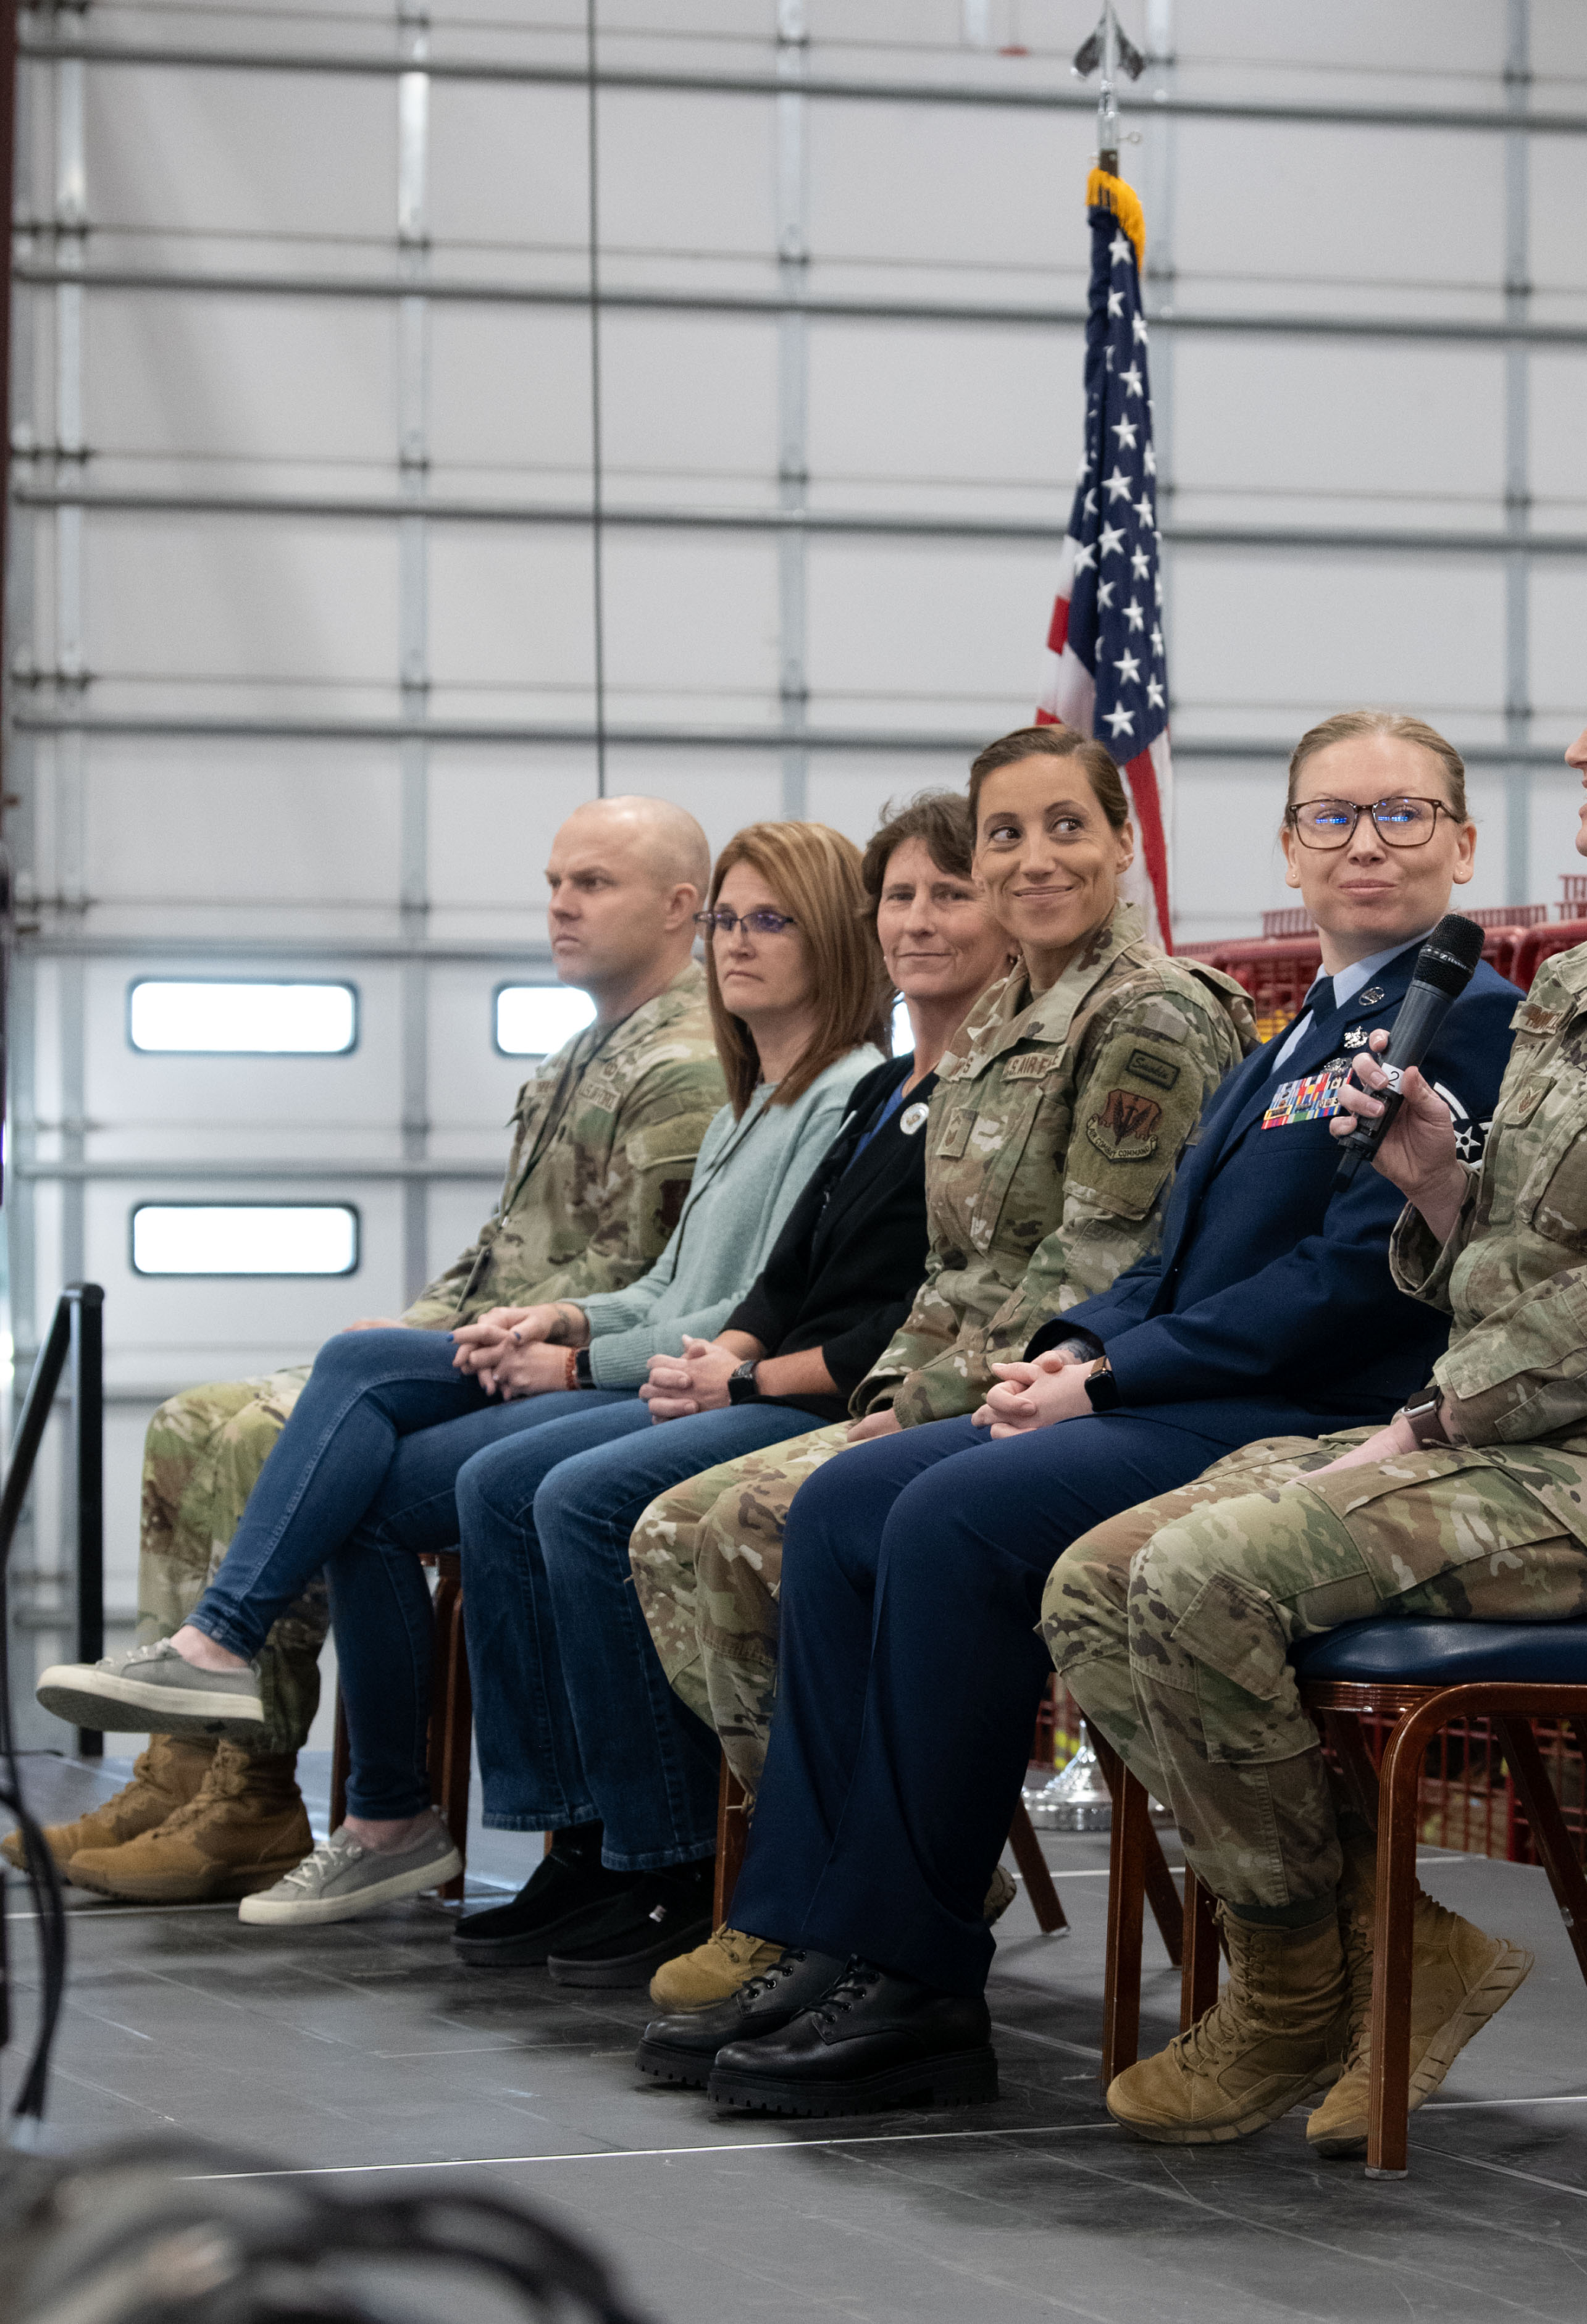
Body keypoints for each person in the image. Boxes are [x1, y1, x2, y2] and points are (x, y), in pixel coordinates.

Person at [1042, 604, 1587, 2157]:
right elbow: (1516, 1248)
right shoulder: (1581, 983)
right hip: (1507, 1440)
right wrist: (1444, 1184)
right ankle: (1371, 1957)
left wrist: (1431, 1421)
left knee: (1199, 1574)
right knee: (1093, 1580)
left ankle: (1298, 1986)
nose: (1580, 745)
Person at [650, 711, 1521, 2112]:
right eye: (1335, 817)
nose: (1367, 842)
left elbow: (1352, 1282)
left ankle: (920, 1976)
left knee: (948, 1518)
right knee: (847, 1502)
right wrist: (1067, 1351)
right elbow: (1167, 1257)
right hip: (1188, 1381)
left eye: (1403, 815)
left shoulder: (1465, 1019)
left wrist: (1116, 1375)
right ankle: (825, 1917)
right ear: (1289, 849)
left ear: (1464, 843)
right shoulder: (1305, 1019)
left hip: (1297, 1413)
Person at [44, 819, 890, 1928]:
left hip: (680, 1386)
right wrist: (558, 1316)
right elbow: (652, 1279)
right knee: (375, 1488)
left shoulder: (833, 1095)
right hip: (628, 1356)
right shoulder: (752, 1094)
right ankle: (380, 1811)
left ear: (830, 936)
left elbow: (740, 1314)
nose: (736, 943)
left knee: (441, 1437)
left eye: (764, 920)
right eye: (731, 920)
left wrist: (570, 1355)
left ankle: (247, 1665)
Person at [626, 721, 1254, 2023]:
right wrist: (886, 1402)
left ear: (1124, 842)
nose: (1031, 859)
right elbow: (951, 1277)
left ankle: (865, 1911)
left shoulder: (1145, 1015)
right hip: (974, 1382)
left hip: (1096, 1388)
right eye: (1005, 835)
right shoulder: (1001, 1025)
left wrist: (918, 1408)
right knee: (728, 1512)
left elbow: (1094, 1267)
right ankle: (814, 1900)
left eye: (1064, 827)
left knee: (780, 1509)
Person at [430, 793, 1011, 1986]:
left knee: (580, 1498)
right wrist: (661, 1343)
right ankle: (581, 1841)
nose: (737, 944)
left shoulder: (927, 1092)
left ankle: (672, 1856)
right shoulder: (875, 1093)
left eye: (772, 920)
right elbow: (773, 1278)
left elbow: (887, 1316)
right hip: (766, 1376)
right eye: (900, 893)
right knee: (501, 1479)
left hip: (842, 1396)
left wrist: (679, 1362)